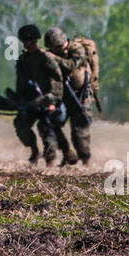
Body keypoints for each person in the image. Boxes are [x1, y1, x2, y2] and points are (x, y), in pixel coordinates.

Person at [13, 25, 76, 166]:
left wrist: (52, 100)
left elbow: (57, 81)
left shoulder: (46, 58)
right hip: (31, 102)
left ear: (35, 40)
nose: (27, 43)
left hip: (48, 101)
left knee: (46, 125)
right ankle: (34, 151)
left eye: (29, 40)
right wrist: (19, 99)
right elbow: (21, 83)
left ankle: (51, 160)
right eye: (24, 40)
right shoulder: (23, 60)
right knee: (21, 122)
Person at [46, 26, 93, 165]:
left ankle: (85, 160)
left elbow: (72, 65)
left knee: (80, 130)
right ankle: (68, 153)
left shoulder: (77, 49)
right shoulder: (52, 53)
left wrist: (54, 58)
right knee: (52, 122)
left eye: (54, 47)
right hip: (62, 95)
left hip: (80, 96)